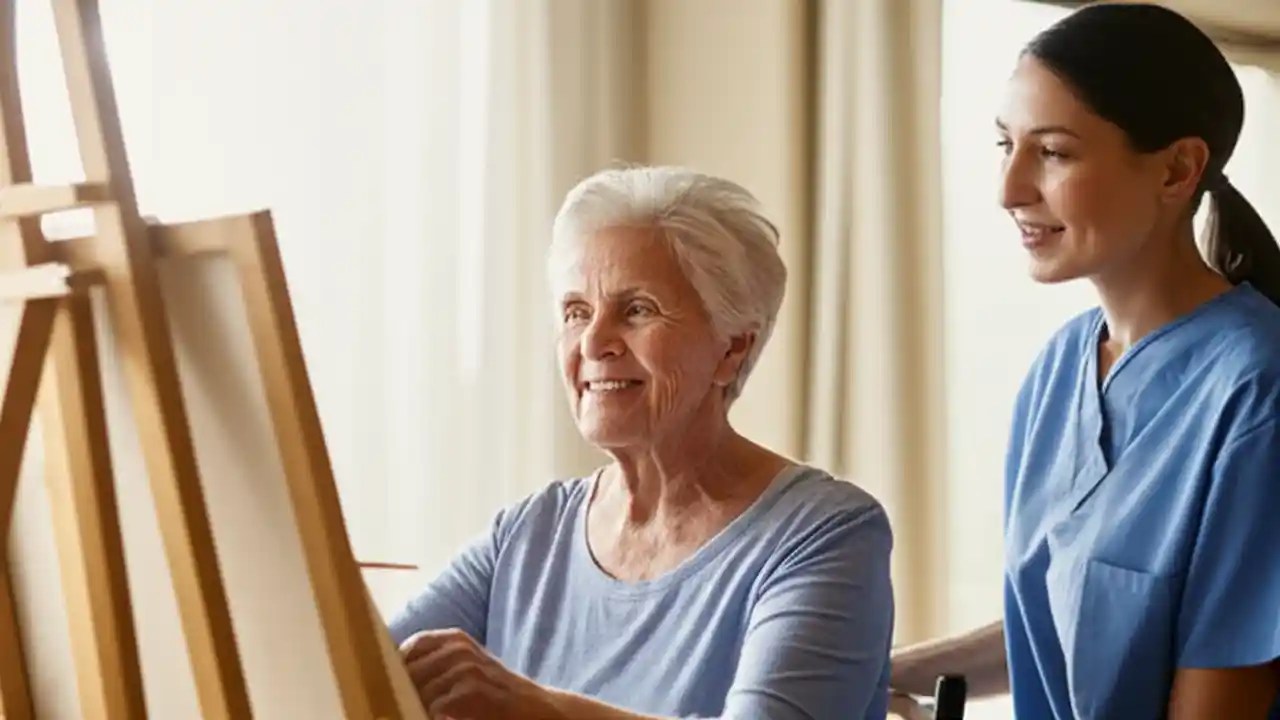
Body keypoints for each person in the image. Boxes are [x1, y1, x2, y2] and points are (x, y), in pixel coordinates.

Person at [387, 166, 896, 719]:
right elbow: (357, 674)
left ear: (731, 349)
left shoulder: (825, 533)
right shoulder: (526, 536)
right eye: (577, 312)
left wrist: (535, 709)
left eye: (637, 310)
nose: (593, 342)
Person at [891, 5, 1280, 719]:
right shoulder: (1059, 371)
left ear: (1177, 169)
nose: (1009, 189)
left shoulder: (1258, 387)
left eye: (1054, 152)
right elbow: (1072, 617)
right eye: (1005, 144)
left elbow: (1226, 685)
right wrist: (874, 672)